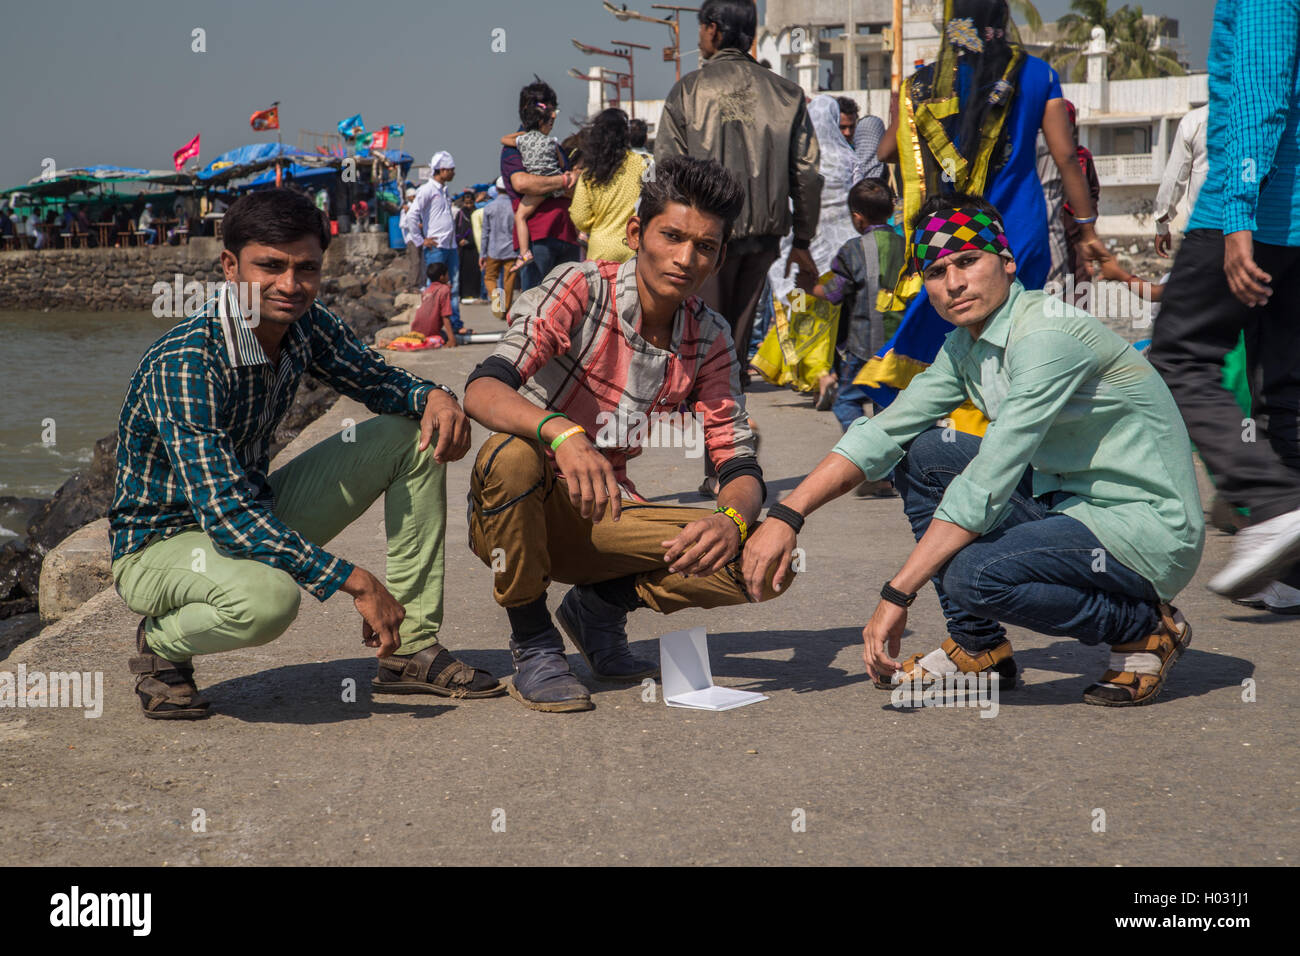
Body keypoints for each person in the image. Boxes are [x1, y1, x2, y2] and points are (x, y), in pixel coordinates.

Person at [744, 193, 1204, 707]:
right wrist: (787, 513)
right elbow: (884, 431)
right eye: (937, 271)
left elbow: (990, 478)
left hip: (1144, 526)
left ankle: (1145, 627)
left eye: (968, 261)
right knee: (923, 452)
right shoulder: (966, 346)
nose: (954, 283)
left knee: (974, 575)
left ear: (1007, 262)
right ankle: (979, 648)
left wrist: (897, 593)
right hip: (1067, 504)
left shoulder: (1045, 334)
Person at [110, 188, 500, 719]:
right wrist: (353, 580)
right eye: (269, 266)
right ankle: (162, 647)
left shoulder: (304, 325)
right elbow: (223, 513)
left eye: (306, 268)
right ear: (230, 266)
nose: (290, 285)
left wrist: (435, 396)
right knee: (270, 601)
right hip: (161, 545)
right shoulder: (188, 362)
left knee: (412, 435)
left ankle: (408, 650)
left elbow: (377, 379)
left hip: (252, 509)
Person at [461, 156, 786, 713]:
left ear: (719, 256)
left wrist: (731, 520)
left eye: (704, 247)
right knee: (511, 455)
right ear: (637, 234)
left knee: (764, 559)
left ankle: (600, 605)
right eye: (673, 237)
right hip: (517, 509)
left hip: (606, 512)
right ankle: (534, 641)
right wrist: (560, 432)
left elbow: (737, 461)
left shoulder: (710, 336)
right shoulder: (580, 288)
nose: (686, 259)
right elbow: (483, 388)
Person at [871, 0, 1106, 414]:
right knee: (1014, 334)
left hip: (951, 238)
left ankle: (939, 434)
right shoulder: (1036, 74)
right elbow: (1067, 157)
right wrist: (1086, 229)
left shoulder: (926, 85)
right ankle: (1005, 427)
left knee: (938, 333)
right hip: (1017, 236)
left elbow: (887, 149)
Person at [1148, 0, 1300, 600]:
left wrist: (1236, 210)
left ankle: (1270, 505)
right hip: (1291, 220)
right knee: (1284, 387)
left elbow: (1264, 90)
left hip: (1254, 209)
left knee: (1180, 356)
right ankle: (1293, 575)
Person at [655, 0, 823, 383]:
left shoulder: (688, 91)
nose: (700, 37)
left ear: (713, 29)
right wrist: (803, 237)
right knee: (734, 344)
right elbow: (808, 175)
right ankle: (730, 425)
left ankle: (712, 430)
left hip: (702, 238)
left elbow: (667, 173)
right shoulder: (787, 93)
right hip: (764, 237)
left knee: (699, 346)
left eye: (700, 29)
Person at [797, 179, 905, 495]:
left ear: (857, 217)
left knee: (846, 404)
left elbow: (833, 293)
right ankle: (887, 472)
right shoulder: (907, 245)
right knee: (888, 409)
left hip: (864, 347)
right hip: (901, 348)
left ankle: (873, 467)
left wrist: (807, 288)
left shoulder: (853, 250)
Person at [500, 79, 581, 291]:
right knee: (536, 309)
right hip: (538, 239)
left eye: (555, 110)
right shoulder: (514, 148)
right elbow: (523, 183)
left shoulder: (554, 145)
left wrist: (557, 185)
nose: (553, 116)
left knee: (569, 308)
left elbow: (577, 188)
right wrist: (562, 182)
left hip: (567, 235)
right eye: (549, 111)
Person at [569, 108, 648, 264]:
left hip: (600, 250)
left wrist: (598, 224)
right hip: (633, 248)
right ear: (626, 135)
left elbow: (580, 217)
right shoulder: (642, 163)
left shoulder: (589, 173)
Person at [501, 121, 576, 276]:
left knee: (521, 216)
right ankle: (581, 233)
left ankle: (524, 253)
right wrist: (564, 176)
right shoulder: (553, 142)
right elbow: (563, 164)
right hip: (556, 183)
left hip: (538, 186)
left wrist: (521, 135)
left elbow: (504, 139)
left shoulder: (523, 140)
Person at [408, 151, 467, 334]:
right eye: (451, 170)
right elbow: (412, 215)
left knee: (454, 286)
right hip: (436, 247)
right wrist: (420, 240)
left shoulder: (444, 190)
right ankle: (431, 325)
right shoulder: (427, 190)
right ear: (441, 170)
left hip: (450, 246)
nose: (453, 173)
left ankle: (455, 325)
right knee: (432, 289)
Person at [1152, 105, 1208, 259]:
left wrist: (1161, 226)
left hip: (1203, 231)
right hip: (1250, 234)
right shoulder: (1256, 119)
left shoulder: (1195, 121)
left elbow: (1173, 181)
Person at [1061, 100, 1100, 308]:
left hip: (1080, 230)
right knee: (1055, 284)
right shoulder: (1042, 159)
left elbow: (1093, 191)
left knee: (1081, 280)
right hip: (1053, 229)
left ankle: (1079, 329)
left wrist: (1089, 221)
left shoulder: (1083, 156)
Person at [480, 180, 519, 319]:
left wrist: (482, 254)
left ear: (496, 189)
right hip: (511, 250)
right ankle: (506, 310)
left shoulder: (489, 207)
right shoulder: (515, 207)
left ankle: (497, 300)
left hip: (493, 250)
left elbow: (485, 233)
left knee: (490, 278)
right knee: (509, 280)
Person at [411, 261, 457, 346]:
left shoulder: (426, 291)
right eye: (447, 274)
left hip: (416, 331)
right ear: (442, 277)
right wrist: (452, 340)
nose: (448, 276)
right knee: (450, 336)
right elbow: (445, 316)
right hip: (430, 333)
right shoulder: (444, 290)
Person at [455, 191, 481, 302]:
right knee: (463, 271)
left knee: (476, 271)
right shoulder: (460, 214)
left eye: (470, 203)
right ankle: (464, 294)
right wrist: (459, 240)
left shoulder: (478, 212)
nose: (468, 205)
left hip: (475, 248)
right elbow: (456, 229)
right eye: (466, 203)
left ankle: (476, 294)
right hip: (463, 249)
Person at [398, 186, 423, 290]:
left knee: (420, 261)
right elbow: (402, 224)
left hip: (420, 237)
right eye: (413, 197)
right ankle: (412, 285)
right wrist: (416, 225)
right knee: (415, 261)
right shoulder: (406, 210)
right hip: (412, 238)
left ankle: (417, 283)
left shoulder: (417, 207)